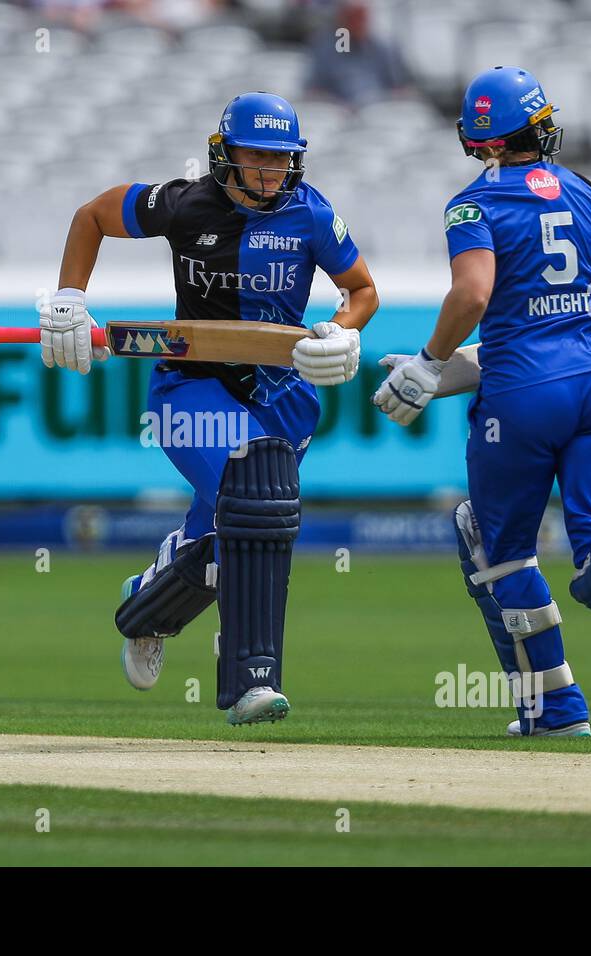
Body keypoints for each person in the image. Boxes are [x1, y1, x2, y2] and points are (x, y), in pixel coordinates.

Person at [373, 66, 591, 738]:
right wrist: (586, 324)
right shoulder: (584, 188)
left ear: (479, 139)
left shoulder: (473, 205)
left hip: (525, 395)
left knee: (498, 551)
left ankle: (556, 711)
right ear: (538, 125)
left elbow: (472, 296)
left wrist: (428, 363)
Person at [40, 91, 378, 725]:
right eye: (256, 155)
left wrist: (341, 329)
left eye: (280, 159)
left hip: (282, 396)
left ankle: (147, 607)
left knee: (224, 543)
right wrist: (67, 298)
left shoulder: (311, 213)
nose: (268, 171)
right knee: (257, 508)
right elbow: (91, 216)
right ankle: (251, 680)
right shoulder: (184, 200)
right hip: (191, 388)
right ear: (224, 153)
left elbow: (361, 291)